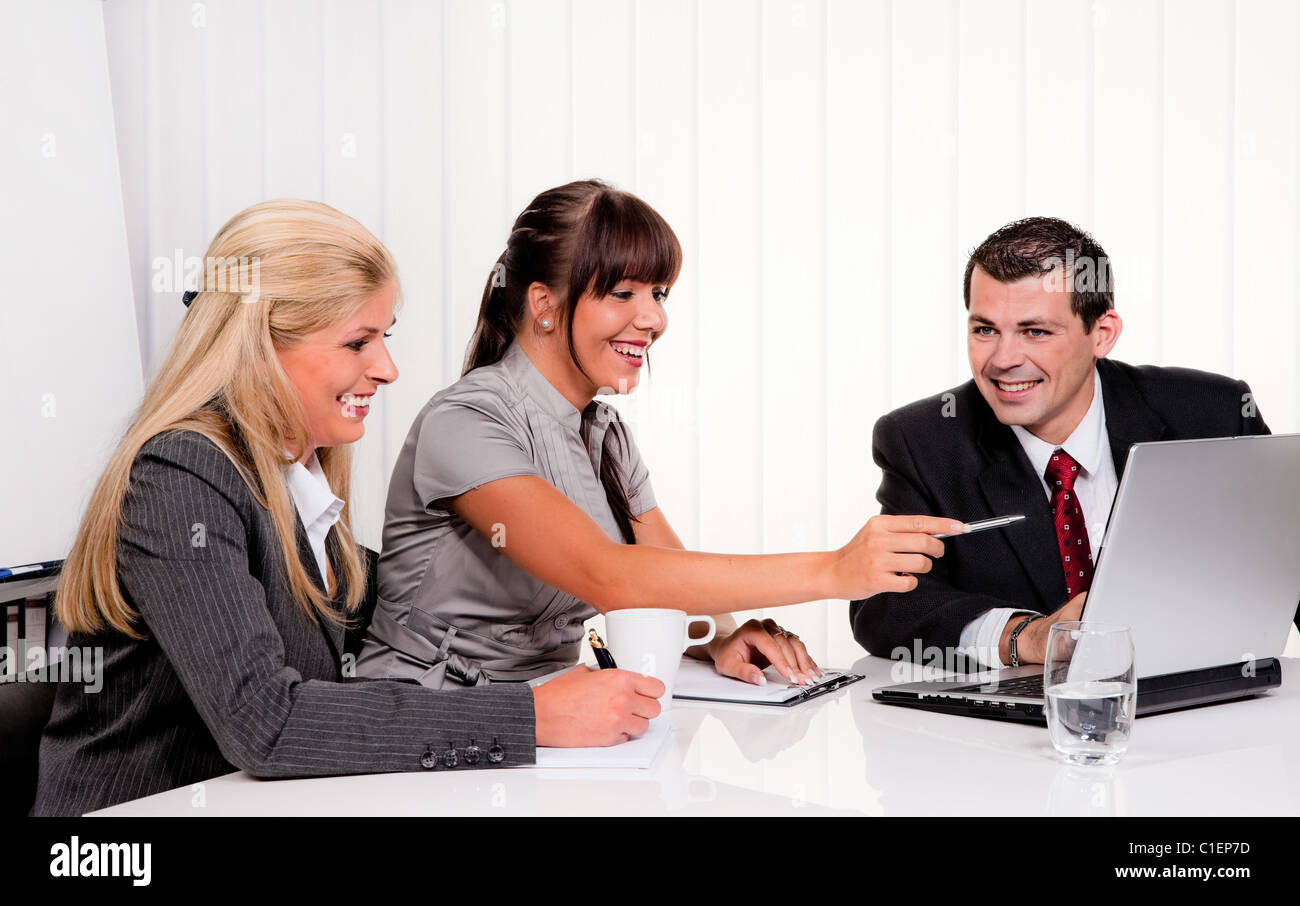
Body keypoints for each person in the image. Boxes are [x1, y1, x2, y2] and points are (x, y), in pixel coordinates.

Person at [32, 199, 665, 817]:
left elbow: (402, 619)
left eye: (383, 337)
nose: (387, 368)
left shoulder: (302, 500)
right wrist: (535, 714)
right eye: (359, 341)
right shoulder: (180, 475)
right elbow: (267, 722)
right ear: (259, 343)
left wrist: (693, 643)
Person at [357, 180, 959, 690]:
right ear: (544, 302)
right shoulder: (466, 421)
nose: (653, 318)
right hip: (426, 719)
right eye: (623, 293)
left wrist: (720, 636)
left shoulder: (603, 433)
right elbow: (610, 576)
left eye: (659, 293)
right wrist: (834, 570)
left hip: (547, 712)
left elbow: (660, 566)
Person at [850, 216, 1297, 668]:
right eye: (985, 330)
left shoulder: (1212, 412)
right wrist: (1025, 636)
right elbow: (884, 604)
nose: (1003, 360)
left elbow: (1286, 556)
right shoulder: (923, 440)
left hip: (1214, 704)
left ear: (1101, 334)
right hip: (1030, 720)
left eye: (1035, 332)